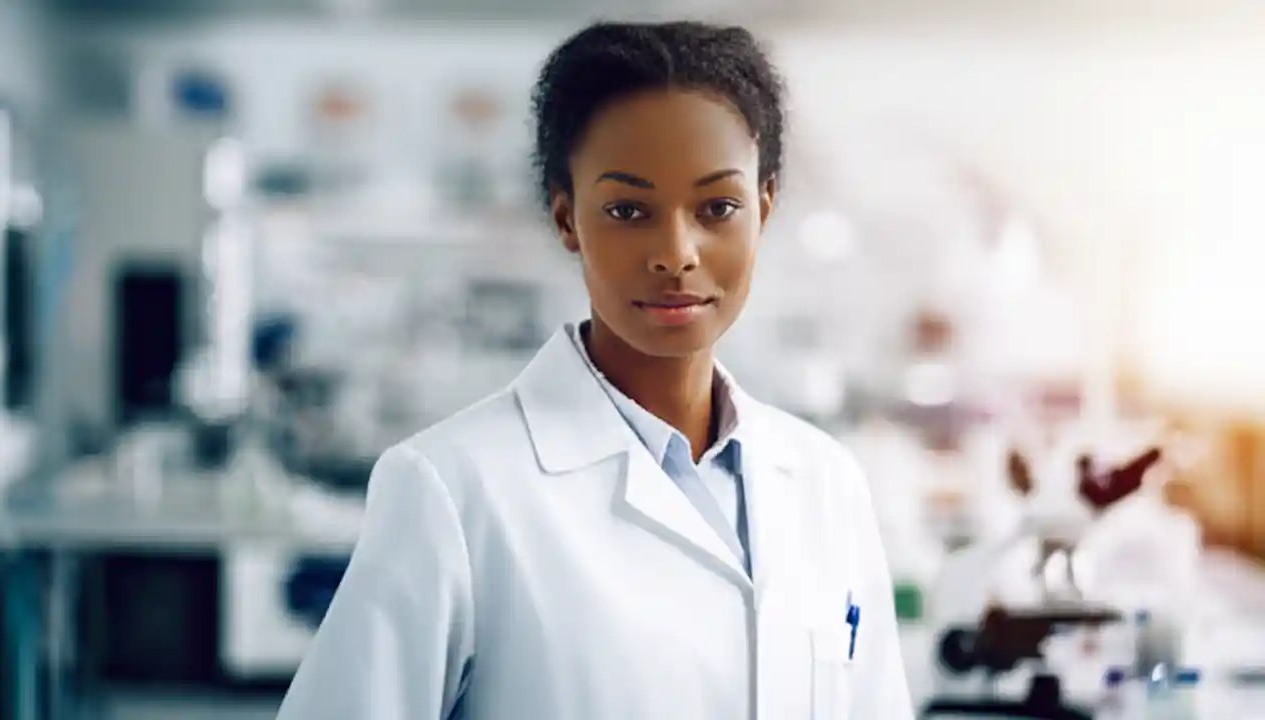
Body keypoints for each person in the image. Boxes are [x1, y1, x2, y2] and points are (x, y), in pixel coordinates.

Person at [277, 20, 912, 720]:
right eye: (628, 209)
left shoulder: (827, 485)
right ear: (566, 218)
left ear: (763, 208)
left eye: (718, 208)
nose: (676, 252)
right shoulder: (452, 494)